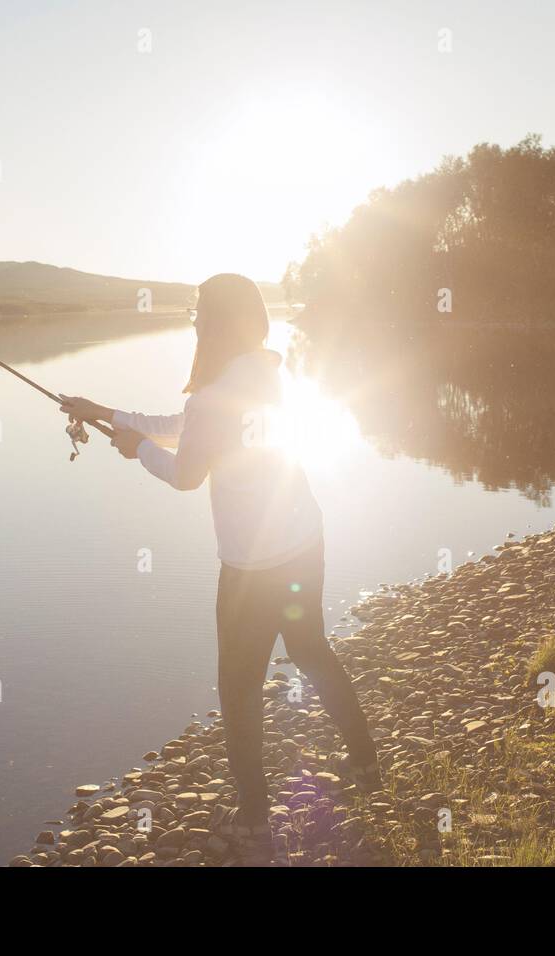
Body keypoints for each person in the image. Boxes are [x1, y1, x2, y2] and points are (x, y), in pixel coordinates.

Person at [59, 273, 378, 857]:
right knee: (311, 649)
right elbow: (188, 423)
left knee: (238, 688)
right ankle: (365, 762)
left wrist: (137, 452)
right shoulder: (264, 371)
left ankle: (255, 819)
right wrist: (107, 412)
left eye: (199, 312)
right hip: (304, 539)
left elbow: (186, 472)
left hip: (252, 570)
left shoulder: (212, 396)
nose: (193, 320)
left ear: (215, 322)